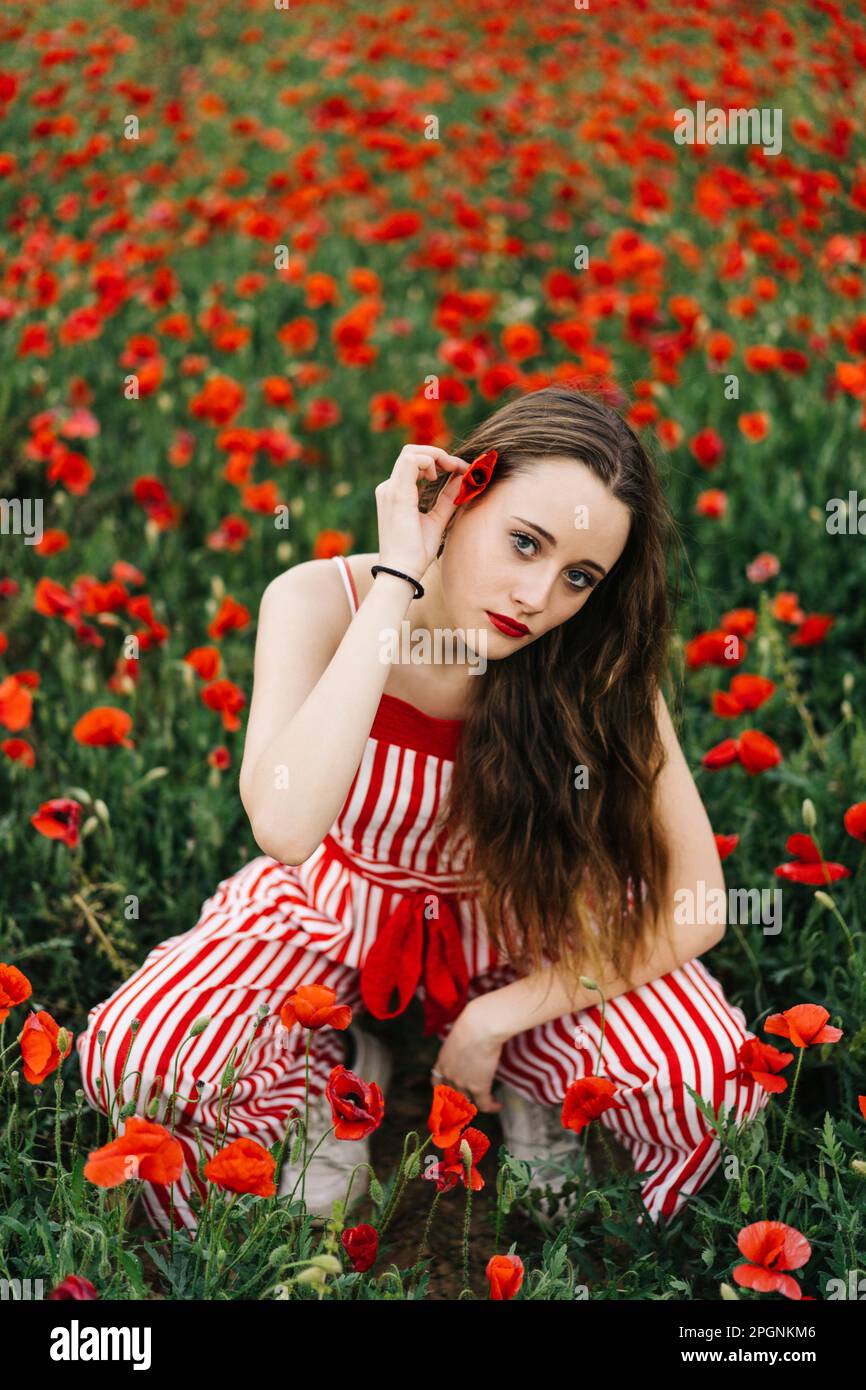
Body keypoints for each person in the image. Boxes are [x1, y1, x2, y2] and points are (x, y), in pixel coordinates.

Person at [76, 385, 768, 1235]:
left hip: (526, 918)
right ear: (460, 495)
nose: (535, 597)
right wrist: (398, 580)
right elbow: (287, 828)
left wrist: (494, 1020)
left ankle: (526, 1073)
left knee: (710, 1077)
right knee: (140, 1056)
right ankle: (320, 1081)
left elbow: (696, 905)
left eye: (577, 576)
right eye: (524, 543)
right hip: (328, 912)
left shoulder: (594, 658)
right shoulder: (315, 601)